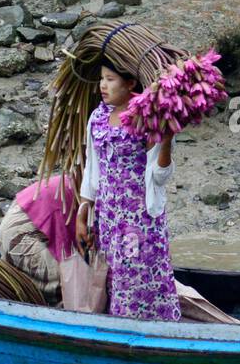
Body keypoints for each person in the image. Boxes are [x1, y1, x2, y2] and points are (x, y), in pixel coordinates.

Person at [75, 61, 180, 321]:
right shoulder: (97, 118)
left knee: (139, 277)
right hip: (108, 218)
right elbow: (92, 167)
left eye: (111, 79)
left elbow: (160, 176)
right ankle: (118, 328)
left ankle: (152, 331)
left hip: (140, 220)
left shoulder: (148, 118)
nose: (103, 85)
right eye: (102, 79)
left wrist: (166, 141)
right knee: (115, 276)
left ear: (130, 83)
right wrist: (83, 211)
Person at [0, 172, 79, 303]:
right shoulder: (72, 195)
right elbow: (63, 243)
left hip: (10, 228)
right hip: (19, 238)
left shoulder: (71, 181)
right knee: (69, 281)